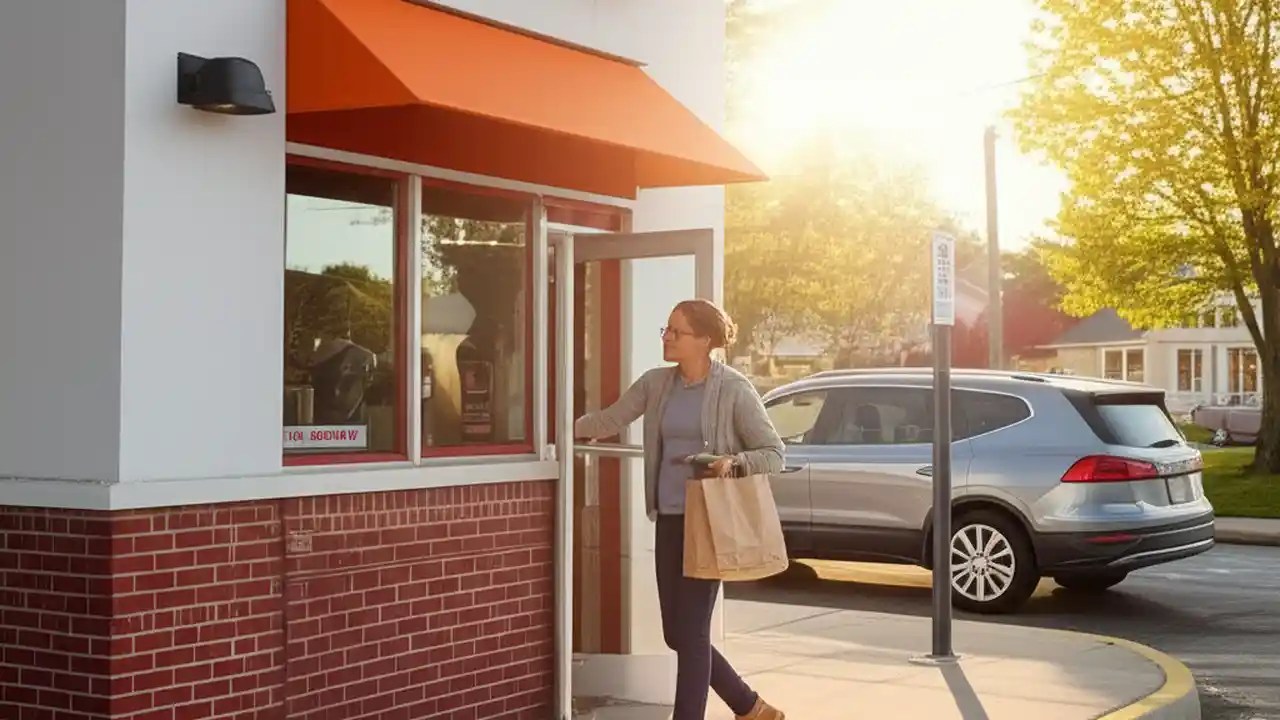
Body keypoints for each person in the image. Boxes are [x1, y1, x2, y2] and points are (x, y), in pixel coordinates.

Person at [574, 299, 786, 720]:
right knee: (678, 633)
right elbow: (609, 421)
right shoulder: (656, 384)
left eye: (676, 331)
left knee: (691, 633)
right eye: (665, 330)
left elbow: (774, 453)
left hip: (709, 523)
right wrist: (550, 425)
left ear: (704, 340)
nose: (667, 338)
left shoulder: (733, 389)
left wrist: (735, 462)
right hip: (669, 519)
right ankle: (750, 706)